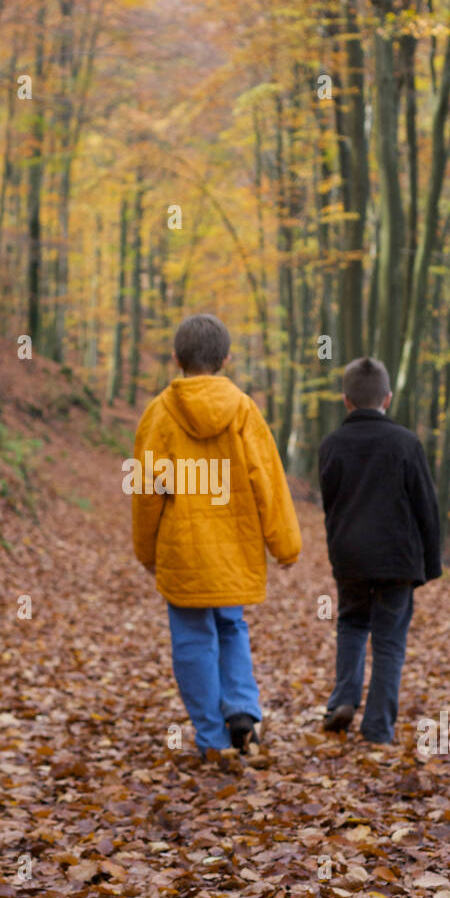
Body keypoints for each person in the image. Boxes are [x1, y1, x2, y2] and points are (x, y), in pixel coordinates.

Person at [129, 313, 301, 765]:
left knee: (191, 637)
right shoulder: (243, 409)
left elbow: (147, 491)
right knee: (231, 624)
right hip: (234, 548)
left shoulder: (159, 414)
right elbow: (267, 478)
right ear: (226, 359)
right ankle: (243, 710)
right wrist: (284, 544)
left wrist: (146, 550)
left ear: (175, 358)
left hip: (184, 550)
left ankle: (212, 738)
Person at [318, 355, 441, 744]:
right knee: (390, 641)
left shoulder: (332, 445)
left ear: (346, 400)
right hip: (398, 560)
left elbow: (330, 502)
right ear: (386, 398)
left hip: (351, 555)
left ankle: (343, 698)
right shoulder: (406, 444)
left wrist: (338, 549)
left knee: (352, 623)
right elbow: (427, 506)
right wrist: (431, 562)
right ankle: (377, 728)